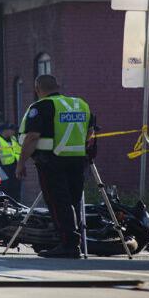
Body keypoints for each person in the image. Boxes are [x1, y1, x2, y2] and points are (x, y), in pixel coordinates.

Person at [14, 74, 95, 258]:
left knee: (59, 203)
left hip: (51, 161)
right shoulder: (80, 104)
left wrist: (21, 163)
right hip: (77, 160)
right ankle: (76, 242)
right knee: (73, 202)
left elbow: (32, 136)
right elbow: (90, 132)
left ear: (37, 89)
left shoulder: (40, 107)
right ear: (58, 86)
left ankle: (68, 245)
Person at [0, 123, 22, 200]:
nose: (13, 131)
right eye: (11, 130)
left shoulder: (14, 139)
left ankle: (17, 205)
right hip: (2, 168)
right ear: (5, 131)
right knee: (4, 188)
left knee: (16, 187)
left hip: (15, 167)